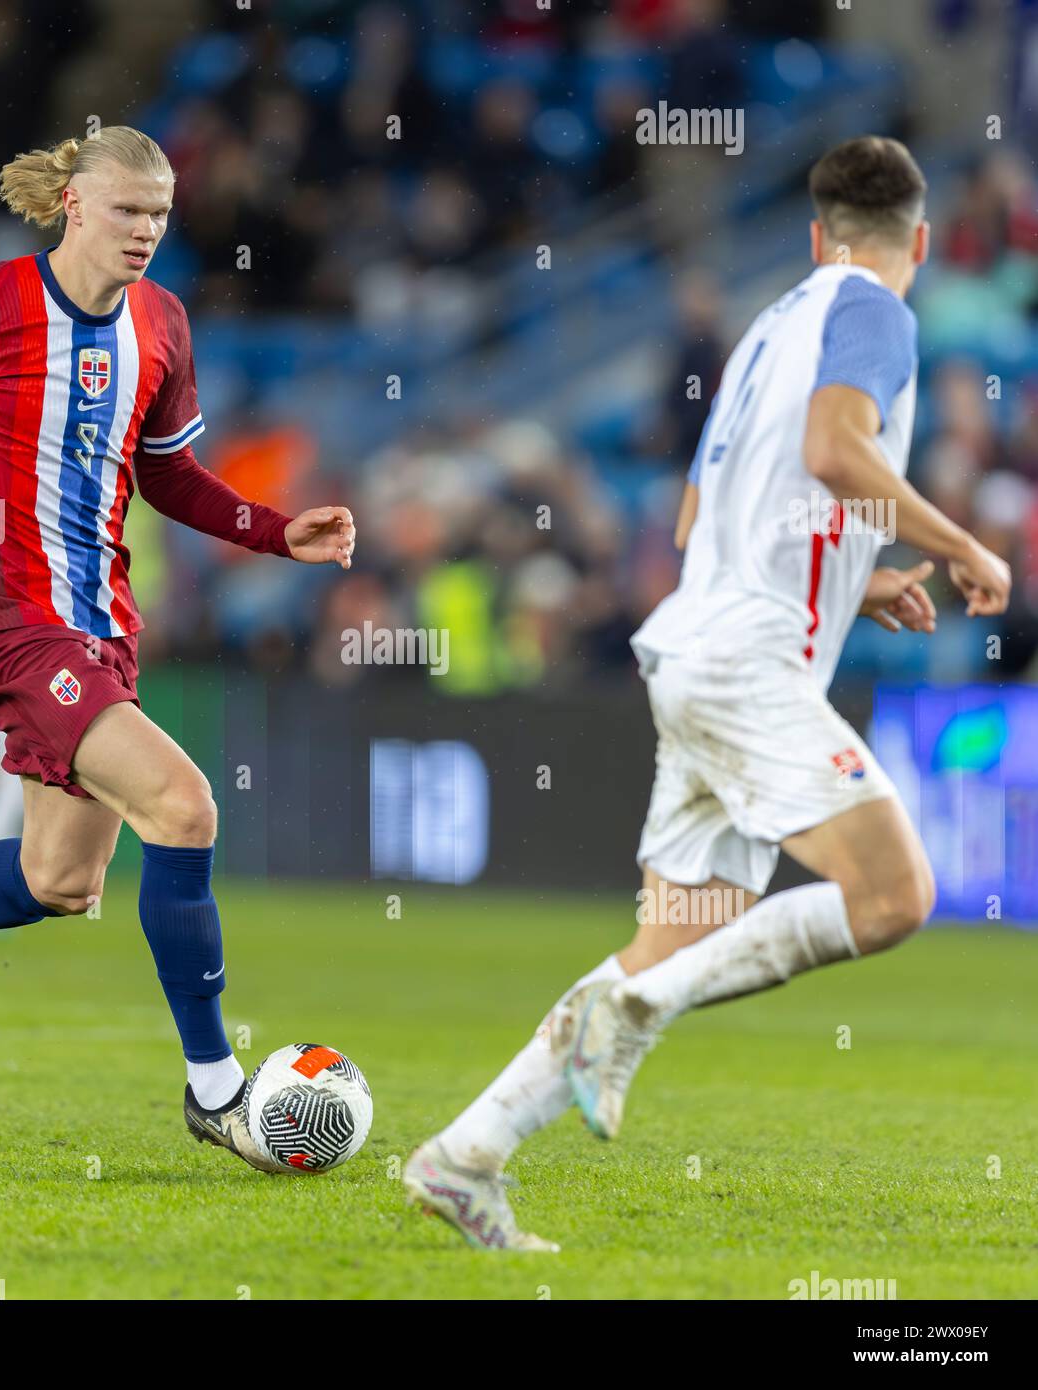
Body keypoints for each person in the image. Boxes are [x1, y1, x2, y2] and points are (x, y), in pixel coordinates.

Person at [403, 136, 1011, 1250]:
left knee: (673, 939)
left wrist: (854, 580)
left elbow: (696, 518)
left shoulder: (764, 331)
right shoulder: (876, 309)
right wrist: (957, 540)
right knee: (893, 897)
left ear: (814, 232)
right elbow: (837, 450)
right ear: (917, 242)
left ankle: (463, 1155)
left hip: (694, 643)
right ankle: (631, 1019)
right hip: (743, 660)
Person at [0, 126, 356, 1172]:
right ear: (75, 208)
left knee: (60, 879)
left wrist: (275, 531)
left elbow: (170, 477)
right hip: (5, 623)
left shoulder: (163, 323)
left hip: (101, 624)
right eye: (127, 211)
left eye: (160, 215)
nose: (146, 231)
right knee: (185, 804)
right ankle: (217, 1093)